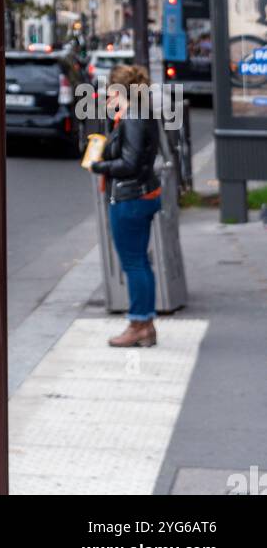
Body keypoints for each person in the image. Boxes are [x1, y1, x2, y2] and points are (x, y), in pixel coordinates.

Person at [91, 63, 162, 348]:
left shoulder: (132, 117)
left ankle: (138, 324)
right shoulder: (140, 113)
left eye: (110, 90)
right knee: (140, 262)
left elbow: (129, 163)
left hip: (130, 198)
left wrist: (99, 165)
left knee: (134, 263)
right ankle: (145, 324)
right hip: (144, 194)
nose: (107, 96)